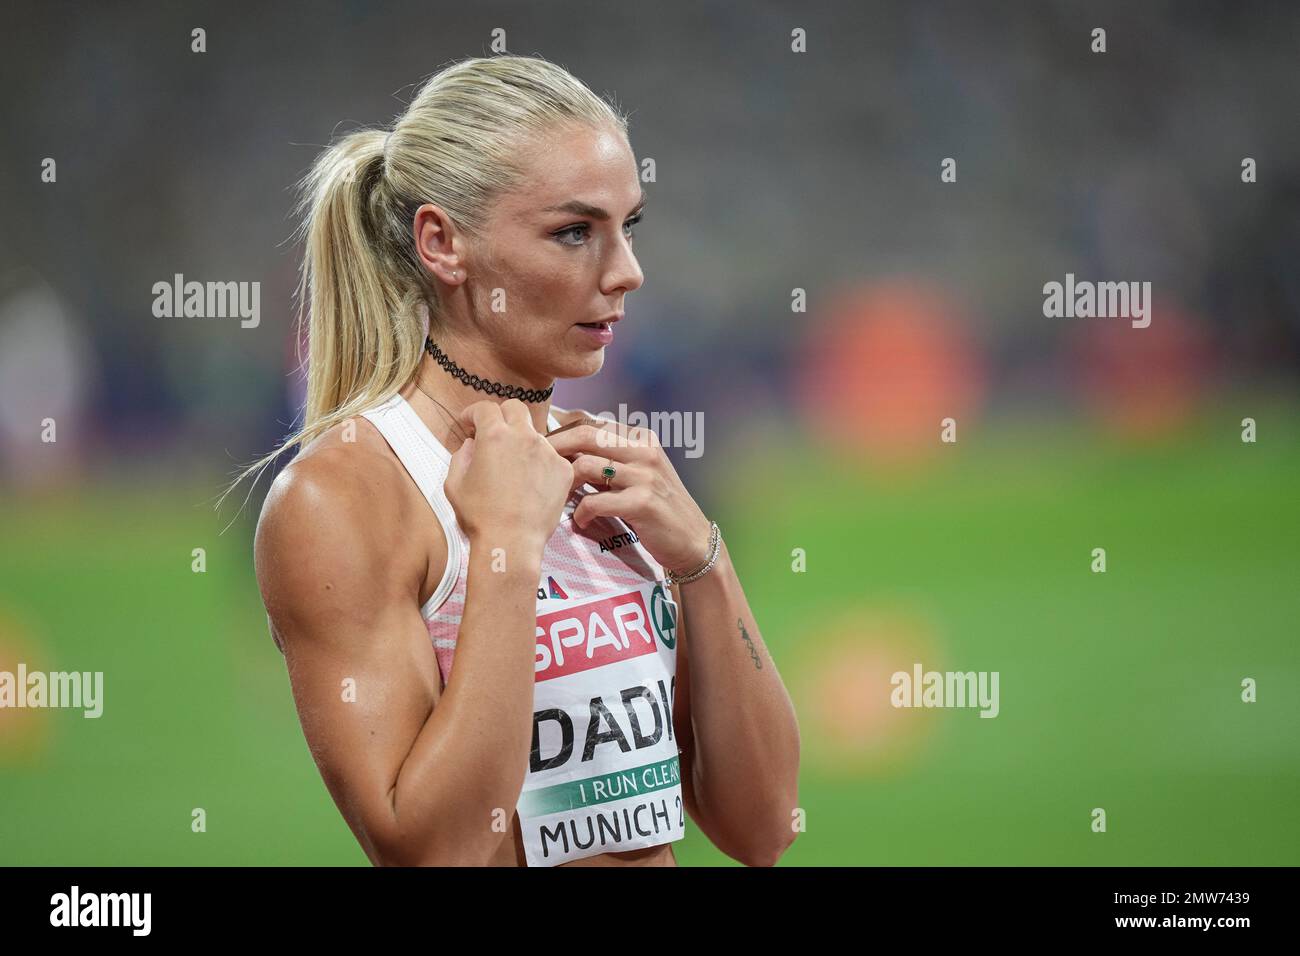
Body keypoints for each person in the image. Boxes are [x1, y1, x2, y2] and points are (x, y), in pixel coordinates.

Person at [242, 55, 799, 866]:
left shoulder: (606, 471)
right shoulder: (344, 496)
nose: (627, 271)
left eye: (627, 227)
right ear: (442, 243)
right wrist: (505, 552)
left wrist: (703, 564)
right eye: (574, 233)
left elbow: (763, 828)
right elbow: (438, 853)